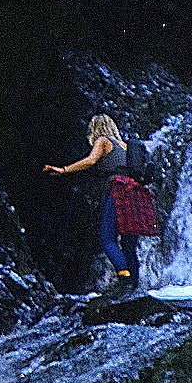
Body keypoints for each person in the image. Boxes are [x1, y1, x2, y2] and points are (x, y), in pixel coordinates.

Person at [44, 113, 154, 292]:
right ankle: (134, 285)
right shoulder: (127, 146)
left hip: (118, 189)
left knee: (108, 238)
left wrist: (64, 170)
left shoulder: (103, 141)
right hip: (136, 192)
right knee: (129, 243)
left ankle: (124, 276)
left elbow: (91, 160)